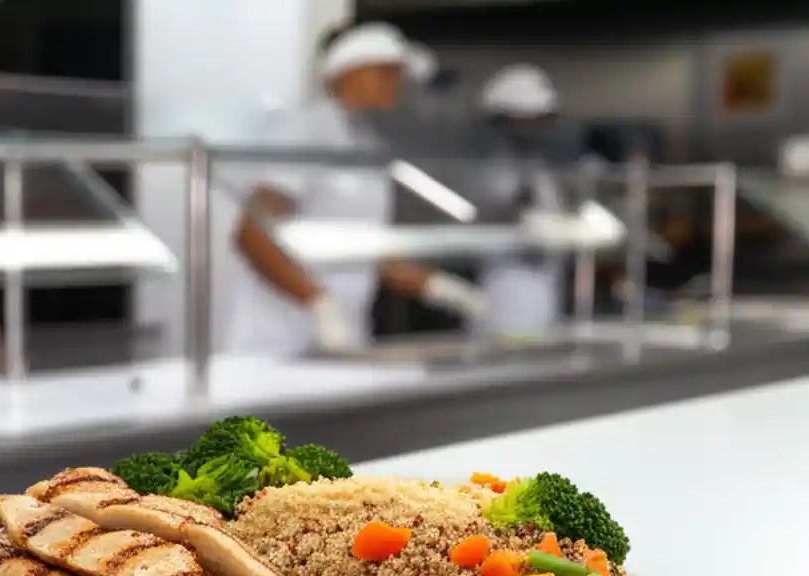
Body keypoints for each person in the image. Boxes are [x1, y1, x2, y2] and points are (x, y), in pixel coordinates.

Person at [225, 22, 485, 357]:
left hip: (344, 337)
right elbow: (251, 234)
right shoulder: (306, 131)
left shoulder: (364, 142)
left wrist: (441, 288)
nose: (396, 85)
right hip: (279, 338)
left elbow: (365, 247)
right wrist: (319, 304)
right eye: (387, 73)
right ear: (350, 71)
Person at [475, 63, 573, 337]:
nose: (539, 128)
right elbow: (507, 219)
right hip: (508, 295)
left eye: (543, 119)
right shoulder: (493, 171)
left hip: (546, 291)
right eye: (529, 120)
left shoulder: (538, 168)